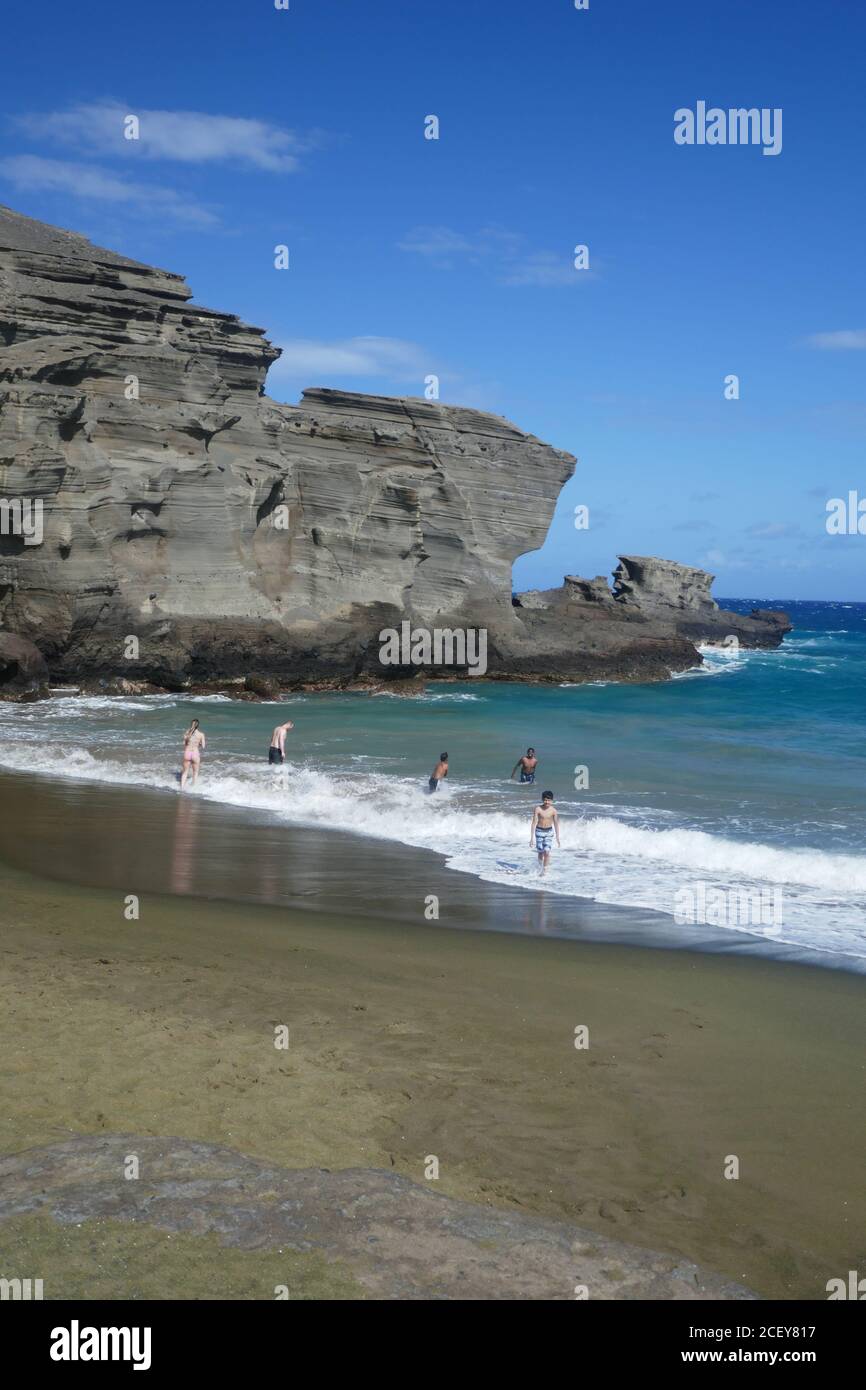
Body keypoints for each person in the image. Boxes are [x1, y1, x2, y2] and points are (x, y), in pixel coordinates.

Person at [530, 790, 560, 875]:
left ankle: (545, 870)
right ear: (542, 799)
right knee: (540, 852)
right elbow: (534, 823)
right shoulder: (538, 809)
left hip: (549, 832)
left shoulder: (553, 811)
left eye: (549, 800)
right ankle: (540, 867)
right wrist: (531, 838)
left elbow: (556, 824)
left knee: (547, 851)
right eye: (545, 800)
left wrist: (557, 837)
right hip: (539, 831)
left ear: (552, 800)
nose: (547, 802)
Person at [180, 718, 206, 790]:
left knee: (185, 772)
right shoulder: (201, 734)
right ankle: (193, 788)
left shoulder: (187, 733)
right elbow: (203, 746)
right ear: (198, 726)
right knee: (195, 772)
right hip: (195, 753)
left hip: (187, 753)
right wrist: (199, 743)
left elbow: (184, 743)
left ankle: (182, 788)